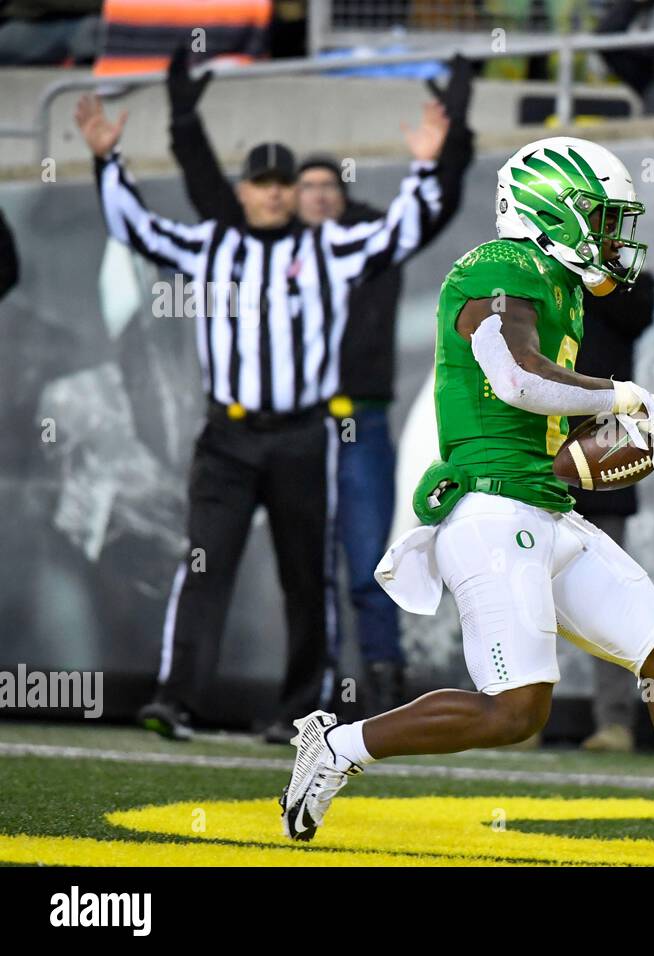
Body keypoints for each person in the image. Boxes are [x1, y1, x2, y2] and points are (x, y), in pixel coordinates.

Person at [279, 136, 654, 862]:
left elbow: (547, 412)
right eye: (601, 219)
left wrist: (619, 437)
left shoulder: (562, 286)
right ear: (553, 213)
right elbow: (513, 374)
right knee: (516, 711)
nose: (612, 236)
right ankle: (338, 743)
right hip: (490, 512)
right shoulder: (500, 264)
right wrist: (624, 395)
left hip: (543, 505)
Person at [74, 90, 451, 744]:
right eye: (262, 184)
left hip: (305, 434)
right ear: (243, 191)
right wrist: (108, 163)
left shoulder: (330, 249)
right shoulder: (211, 245)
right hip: (227, 434)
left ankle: (301, 709)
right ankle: (175, 696)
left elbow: (401, 233)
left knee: (306, 578)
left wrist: (424, 169)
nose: (274, 196)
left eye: (283, 185)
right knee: (203, 563)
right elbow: (136, 227)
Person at [163, 49, 476, 724]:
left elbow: (435, 206)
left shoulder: (363, 242)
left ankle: (382, 688)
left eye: (329, 186)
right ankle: (281, 699)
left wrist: (455, 125)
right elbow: (211, 198)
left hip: (356, 418)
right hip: (291, 423)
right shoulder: (274, 250)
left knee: (366, 561)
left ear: (346, 197)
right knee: (278, 567)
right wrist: (184, 117)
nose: (316, 196)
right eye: (302, 189)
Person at [573, 271, 654, 753]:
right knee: (524, 589)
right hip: (538, 455)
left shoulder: (628, 284)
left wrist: (591, 269)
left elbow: (634, 314)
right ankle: (516, 710)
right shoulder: (535, 279)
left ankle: (614, 720)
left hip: (602, 457)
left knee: (604, 598)